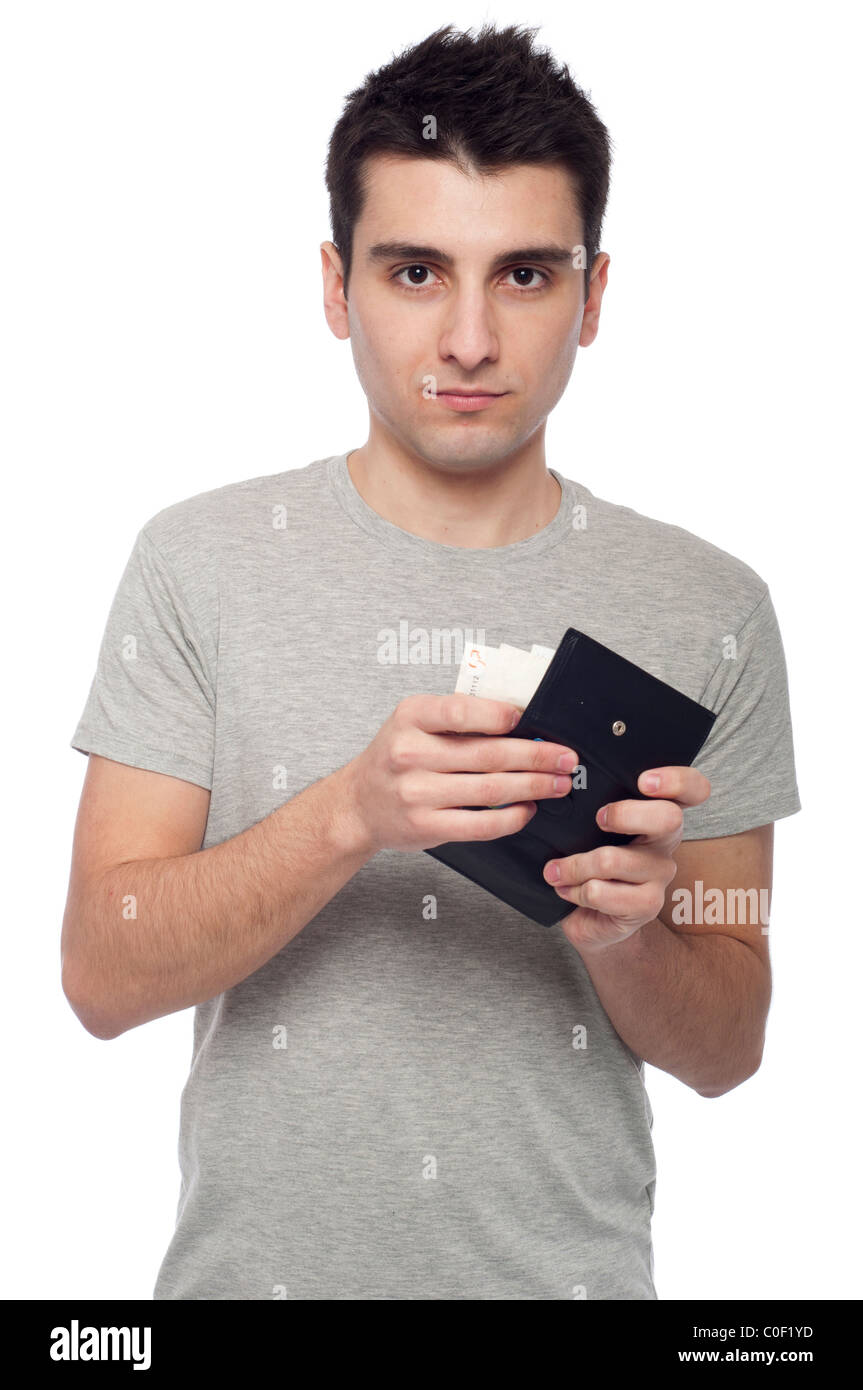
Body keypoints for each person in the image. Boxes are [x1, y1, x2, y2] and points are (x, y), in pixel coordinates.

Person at [62, 22, 801, 1300]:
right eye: (414, 272)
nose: (467, 340)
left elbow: (730, 1038)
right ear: (336, 287)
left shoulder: (710, 606)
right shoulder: (198, 560)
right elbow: (101, 971)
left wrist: (620, 933)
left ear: (595, 295)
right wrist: (350, 813)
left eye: (522, 275)